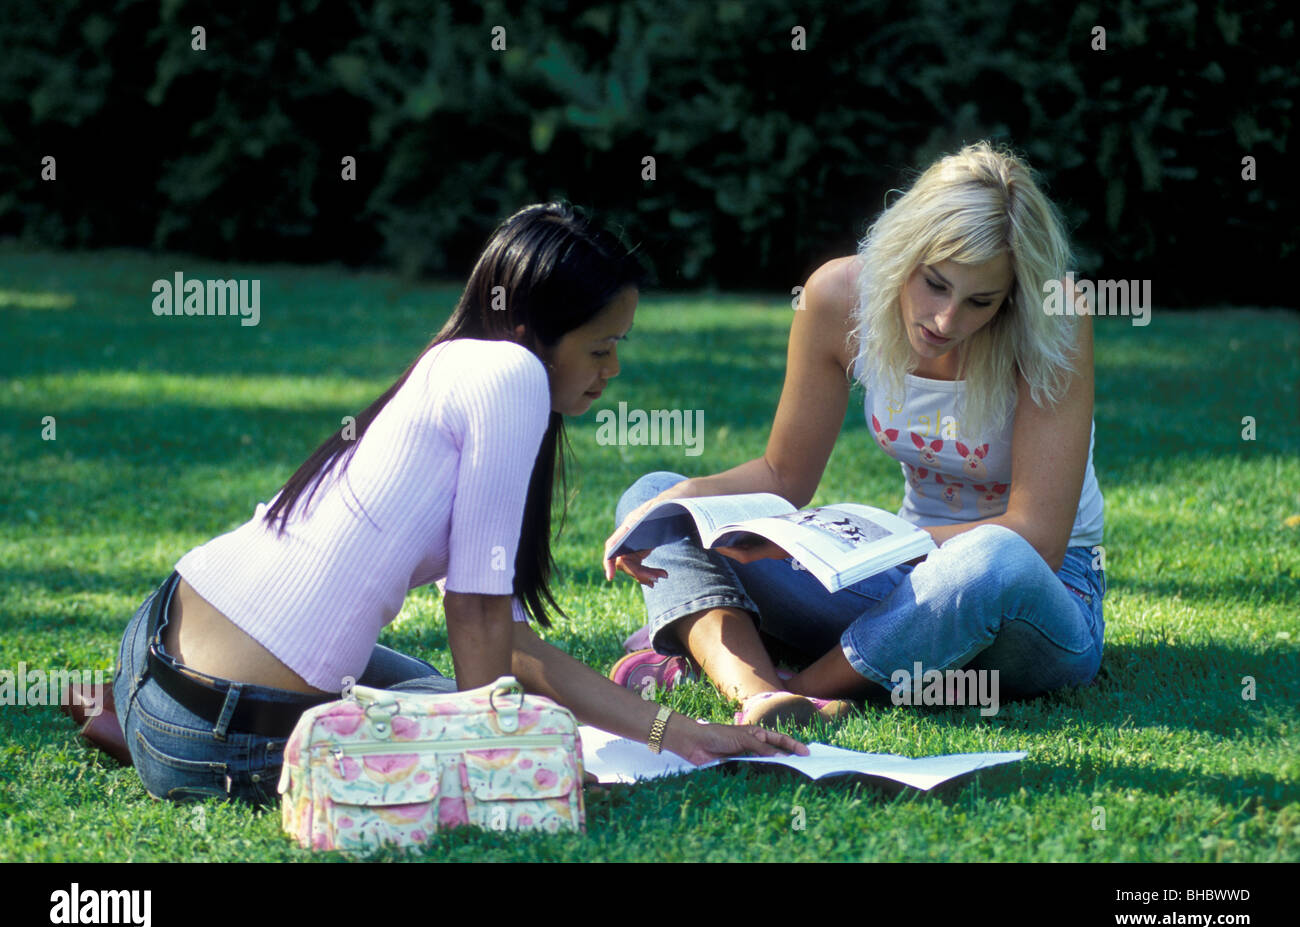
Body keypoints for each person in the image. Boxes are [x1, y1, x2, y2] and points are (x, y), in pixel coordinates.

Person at [112, 202, 806, 805]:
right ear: (539, 329)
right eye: (602, 346)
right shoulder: (511, 377)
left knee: (465, 691)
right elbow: (473, 612)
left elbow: (502, 634)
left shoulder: (457, 360)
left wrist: (674, 732)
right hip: (222, 734)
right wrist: (505, 763)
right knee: (516, 723)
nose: (612, 368)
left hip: (157, 643)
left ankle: (117, 712)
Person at [605, 142, 1107, 728]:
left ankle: (803, 688)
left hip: (1037, 596)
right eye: (935, 284)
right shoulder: (840, 296)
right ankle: (760, 695)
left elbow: (1037, 538)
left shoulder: (1055, 318)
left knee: (990, 556)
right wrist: (677, 506)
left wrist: (857, 549)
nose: (947, 320)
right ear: (901, 253)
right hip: (899, 585)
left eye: (981, 302)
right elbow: (782, 475)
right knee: (657, 492)